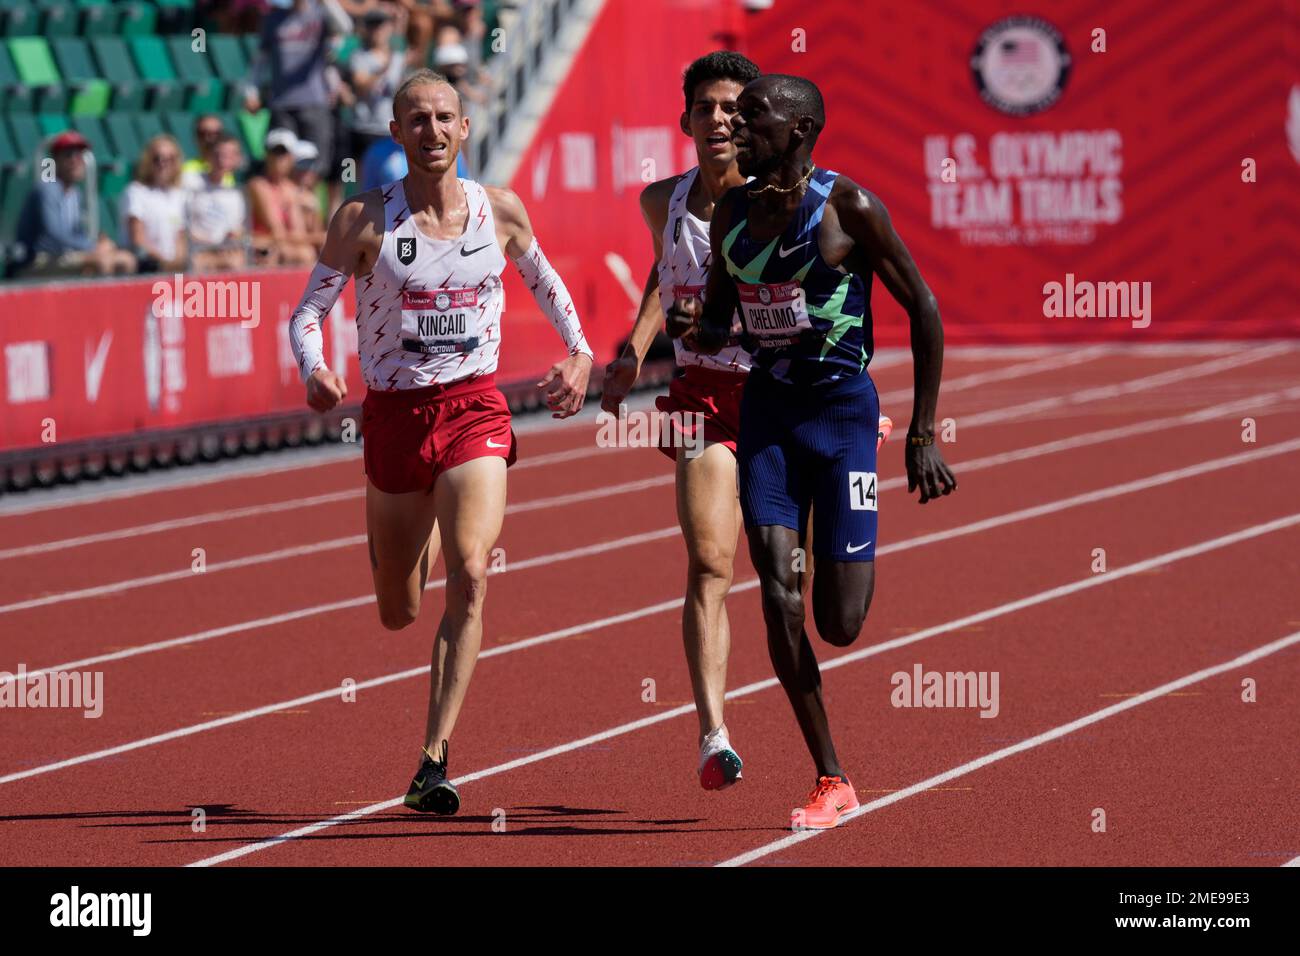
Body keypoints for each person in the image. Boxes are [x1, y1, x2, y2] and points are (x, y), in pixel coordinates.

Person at [287, 68, 593, 815]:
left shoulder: (503, 212)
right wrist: (318, 370)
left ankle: (433, 760)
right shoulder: (364, 219)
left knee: (473, 570)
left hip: (474, 410)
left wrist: (580, 351)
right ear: (395, 132)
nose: (431, 130)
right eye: (415, 119)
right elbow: (304, 316)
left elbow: (548, 283)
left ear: (464, 129)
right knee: (398, 608)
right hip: (394, 418)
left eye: (444, 117)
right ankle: (411, 547)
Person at [672, 74, 957, 829]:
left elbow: (924, 310)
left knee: (840, 622)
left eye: (752, 116)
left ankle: (850, 509)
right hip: (766, 415)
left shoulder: (847, 210)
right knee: (775, 591)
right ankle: (831, 775)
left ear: (798, 131)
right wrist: (696, 324)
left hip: (841, 418)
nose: (734, 126)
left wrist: (923, 431)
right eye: (729, 115)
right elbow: (722, 321)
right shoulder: (731, 212)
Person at [600, 51, 762, 790]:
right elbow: (665, 279)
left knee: (805, 583)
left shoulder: (780, 202)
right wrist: (633, 353)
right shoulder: (659, 199)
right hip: (702, 395)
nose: (720, 120)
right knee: (709, 562)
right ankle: (713, 732)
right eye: (707, 108)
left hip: (780, 393)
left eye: (733, 108)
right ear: (687, 120)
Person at [14, 131, 136, 277]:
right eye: (68, 155)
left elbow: (75, 232)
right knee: (101, 261)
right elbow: (53, 235)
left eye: (80, 155)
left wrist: (100, 242)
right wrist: (92, 247)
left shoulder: (75, 193)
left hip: (65, 254)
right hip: (38, 258)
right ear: (55, 161)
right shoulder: (46, 188)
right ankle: (99, 301)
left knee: (126, 260)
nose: (75, 160)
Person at [248, 128, 322, 266]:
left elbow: (297, 232)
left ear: (292, 158)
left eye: (283, 153)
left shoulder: (291, 189)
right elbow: (277, 232)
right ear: (267, 155)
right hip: (263, 247)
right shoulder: (258, 186)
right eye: (275, 152)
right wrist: (320, 238)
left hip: (277, 245)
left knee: (306, 253)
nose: (279, 158)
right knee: (289, 253)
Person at [120, 135, 189, 273]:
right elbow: (137, 239)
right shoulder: (135, 192)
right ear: (148, 161)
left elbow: (180, 237)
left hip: (172, 267)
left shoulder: (179, 195)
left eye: (170, 159)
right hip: (145, 264)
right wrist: (164, 263)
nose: (163, 164)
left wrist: (178, 262)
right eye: (157, 158)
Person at [184, 133, 249, 272]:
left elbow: (237, 230)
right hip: (195, 250)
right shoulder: (190, 181)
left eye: (229, 156)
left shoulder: (236, 194)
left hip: (222, 252)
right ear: (208, 156)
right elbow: (182, 226)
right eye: (218, 154)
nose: (222, 160)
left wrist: (234, 237)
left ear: (237, 159)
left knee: (236, 262)